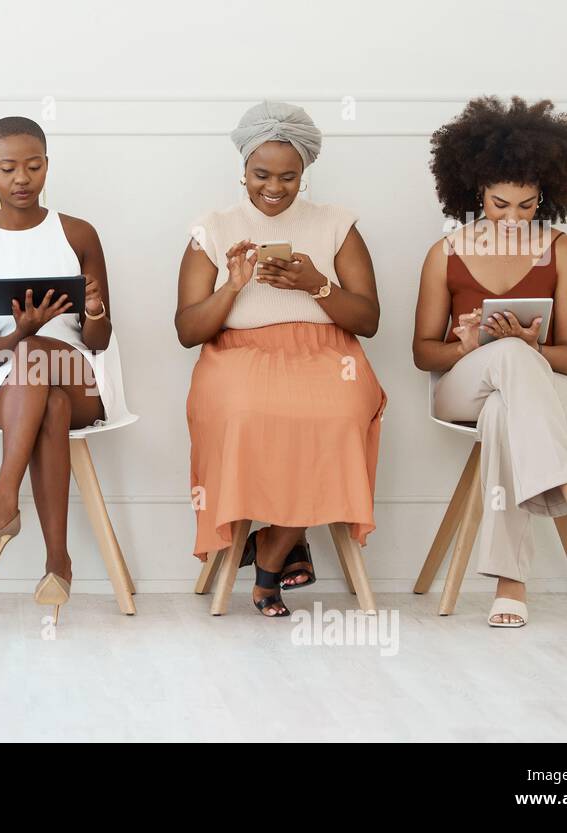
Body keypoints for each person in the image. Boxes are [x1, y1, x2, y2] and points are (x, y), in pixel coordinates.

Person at [176, 101, 386, 619]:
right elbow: (187, 331)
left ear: (305, 173)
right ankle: (275, 555)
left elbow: (368, 319)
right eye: (261, 174)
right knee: (247, 415)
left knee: (334, 418)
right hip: (237, 356)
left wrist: (317, 284)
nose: (273, 187)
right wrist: (233, 286)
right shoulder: (213, 227)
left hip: (328, 354)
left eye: (288, 177)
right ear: (243, 169)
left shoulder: (337, 224)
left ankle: (270, 556)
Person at [413, 95, 567, 628]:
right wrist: (467, 346)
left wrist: (527, 347)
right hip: (462, 384)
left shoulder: (564, 251)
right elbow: (421, 353)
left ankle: (511, 584)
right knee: (503, 360)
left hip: (543, 387)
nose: (513, 217)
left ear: (545, 194)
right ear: (475, 189)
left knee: (505, 410)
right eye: (500, 204)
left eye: (527, 205)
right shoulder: (446, 253)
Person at [0, 116, 132, 622]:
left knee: (40, 358)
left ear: (47, 165)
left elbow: (99, 339)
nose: (22, 178)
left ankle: (2, 503)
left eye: (33, 166)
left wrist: (91, 312)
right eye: (8, 168)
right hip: (3, 383)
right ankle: (58, 562)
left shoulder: (78, 233)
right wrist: (25, 330)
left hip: (82, 378)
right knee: (40, 386)